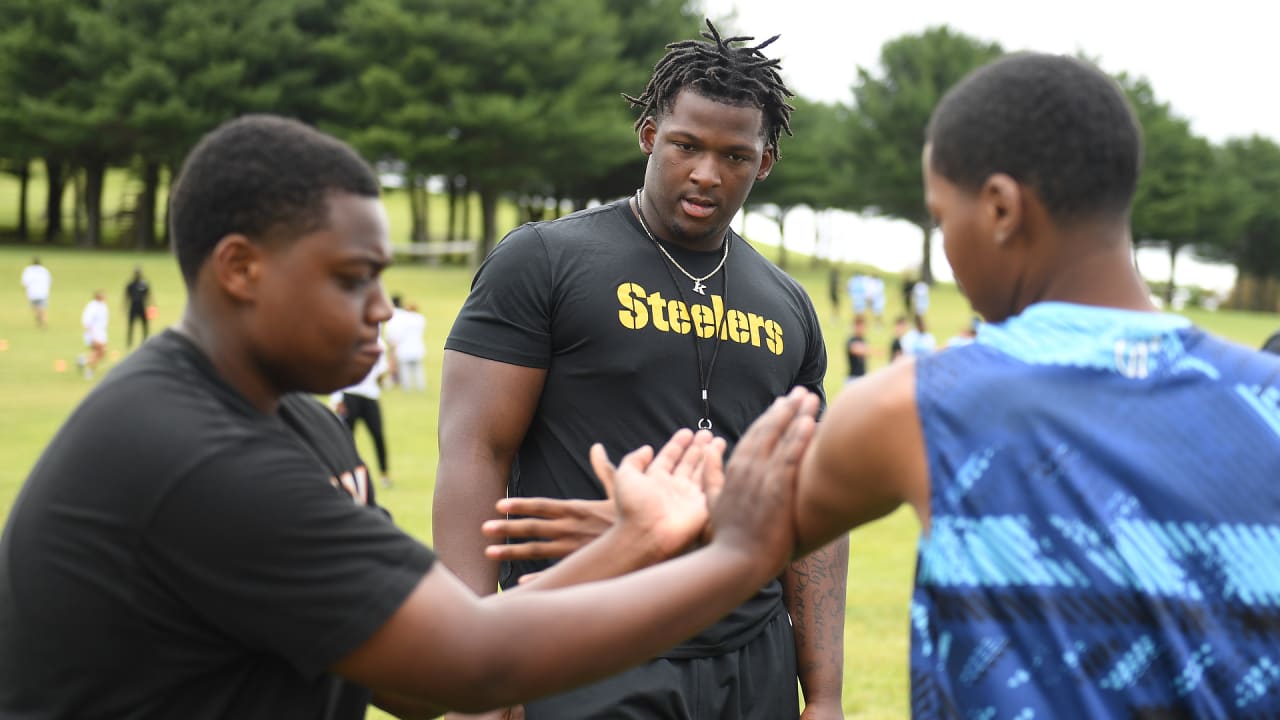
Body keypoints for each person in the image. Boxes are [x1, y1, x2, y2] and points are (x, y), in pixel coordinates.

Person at [0, 114, 822, 719]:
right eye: (352, 278)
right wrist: (719, 548)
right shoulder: (193, 454)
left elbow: (427, 661)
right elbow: (465, 667)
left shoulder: (303, 427)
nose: (385, 310)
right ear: (240, 269)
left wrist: (635, 544)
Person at [786, 53, 1280, 717]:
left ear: (1000, 209)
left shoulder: (921, 404)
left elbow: (752, 541)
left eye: (939, 215)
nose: (944, 242)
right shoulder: (1268, 399)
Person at [437, 20, 847, 720]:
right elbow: (475, 450)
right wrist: (477, 664)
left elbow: (808, 497)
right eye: (686, 145)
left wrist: (827, 693)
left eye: (735, 156)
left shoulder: (788, 305)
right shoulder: (543, 262)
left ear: (765, 162)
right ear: (650, 135)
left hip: (749, 662)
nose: (706, 173)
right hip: (585, 640)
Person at [332, 338, 393, 488]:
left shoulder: (380, 343)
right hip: (350, 393)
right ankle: (343, 473)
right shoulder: (349, 337)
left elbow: (381, 371)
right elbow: (338, 369)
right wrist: (337, 398)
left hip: (370, 396)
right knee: (346, 437)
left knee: (378, 435)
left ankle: (384, 474)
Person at [385, 298, 427, 391]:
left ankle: (407, 388)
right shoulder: (420, 319)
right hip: (417, 348)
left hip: (405, 348)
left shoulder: (403, 320)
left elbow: (398, 334)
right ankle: (421, 388)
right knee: (418, 370)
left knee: (405, 370)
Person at [78, 288, 109, 379]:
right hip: (94, 334)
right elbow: (87, 322)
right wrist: (93, 336)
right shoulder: (92, 307)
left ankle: (83, 361)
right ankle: (89, 371)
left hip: (100, 333)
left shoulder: (102, 306)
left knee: (101, 352)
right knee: (98, 351)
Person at [124, 265, 152, 347]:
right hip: (133, 306)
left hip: (142, 306)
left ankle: (145, 340)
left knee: (145, 324)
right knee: (131, 325)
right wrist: (125, 306)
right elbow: (126, 296)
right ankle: (129, 341)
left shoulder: (144, 284)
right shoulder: (130, 284)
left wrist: (150, 306)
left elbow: (148, 295)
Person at [20, 256, 51, 329]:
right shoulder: (44, 270)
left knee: (35, 308)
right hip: (43, 292)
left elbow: (24, 283)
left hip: (32, 293)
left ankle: (40, 318)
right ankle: (43, 320)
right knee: (43, 308)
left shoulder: (28, 270)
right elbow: (49, 281)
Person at [846, 314, 870, 383]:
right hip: (853, 377)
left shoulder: (863, 340)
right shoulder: (851, 340)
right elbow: (856, 349)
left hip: (863, 376)